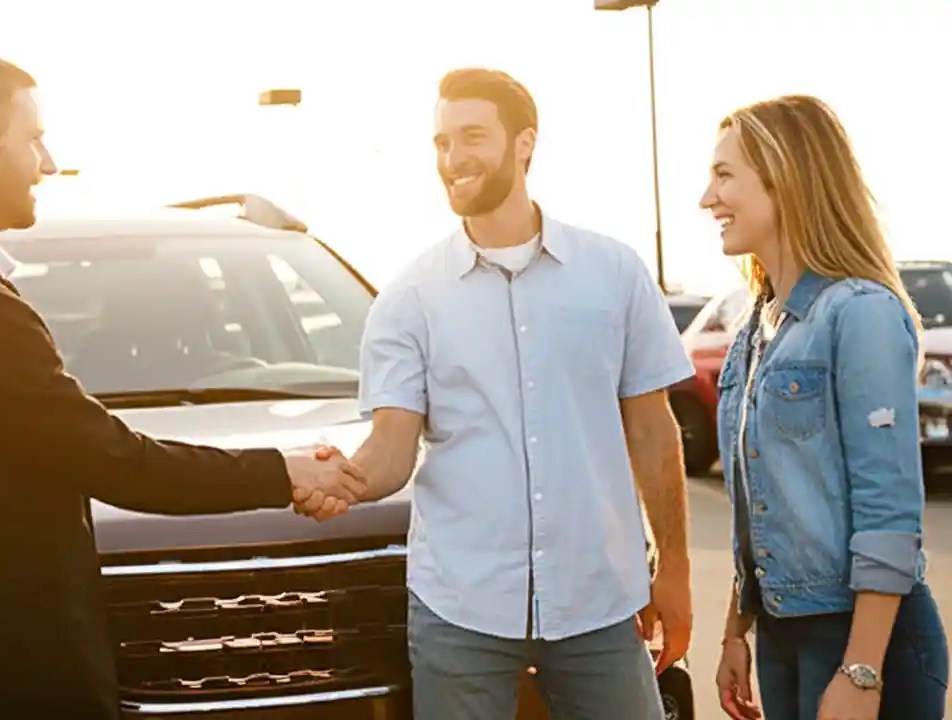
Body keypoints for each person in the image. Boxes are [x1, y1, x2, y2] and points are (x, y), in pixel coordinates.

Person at [0, 51, 365, 720]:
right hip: (12, 676)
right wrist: (285, 471)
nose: (47, 161)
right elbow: (116, 461)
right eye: (33, 137)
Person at [312, 67, 695, 719]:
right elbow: (392, 448)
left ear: (524, 143)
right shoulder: (408, 298)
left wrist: (677, 570)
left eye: (471, 137)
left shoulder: (614, 272)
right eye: (440, 142)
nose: (452, 159)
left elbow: (653, 433)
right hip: (460, 608)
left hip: (599, 599)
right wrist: (339, 480)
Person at [702, 94, 949, 720]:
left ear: (785, 177)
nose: (708, 199)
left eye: (725, 175)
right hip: (783, 632)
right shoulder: (756, 328)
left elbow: (889, 506)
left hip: (864, 640)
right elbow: (758, 504)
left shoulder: (858, 312)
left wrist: (861, 672)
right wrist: (738, 627)